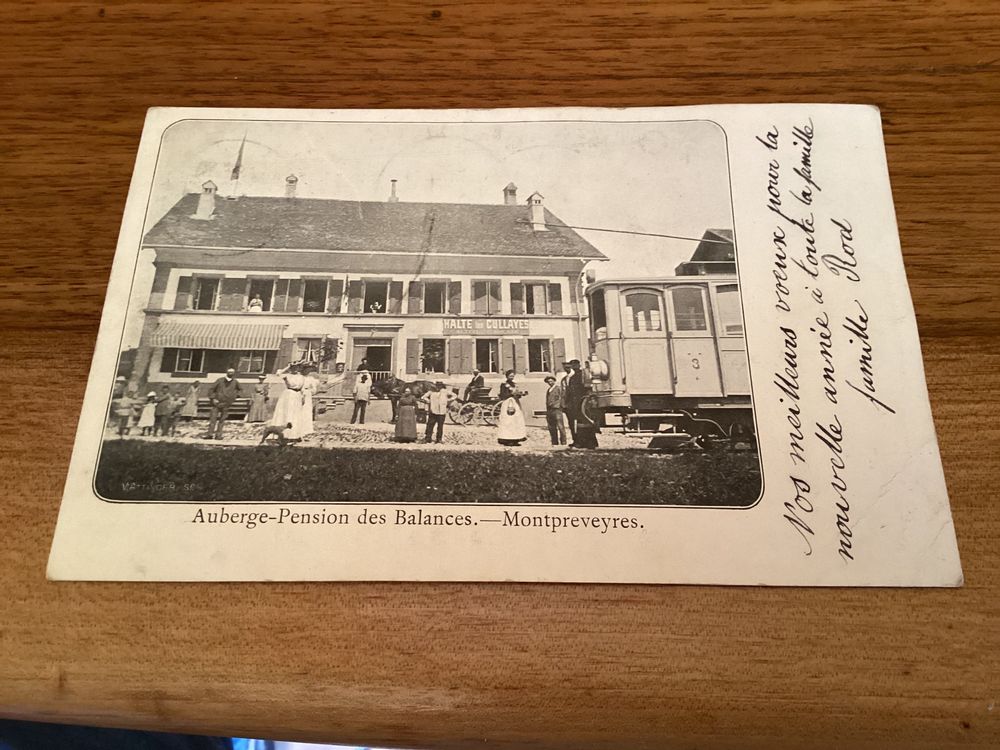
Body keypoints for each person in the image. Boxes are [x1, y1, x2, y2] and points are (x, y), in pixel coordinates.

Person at [202, 368, 243, 440]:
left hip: (226, 404)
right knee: (213, 419)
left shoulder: (235, 382)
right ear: (226, 373)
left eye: (232, 372)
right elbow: (211, 389)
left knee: (222, 420)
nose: (231, 374)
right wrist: (213, 398)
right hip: (217, 403)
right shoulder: (220, 380)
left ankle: (219, 435)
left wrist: (234, 396)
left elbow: (241, 390)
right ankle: (210, 434)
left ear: (234, 374)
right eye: (229, 372)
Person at [269, 363, 306, 442]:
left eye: (297, 367)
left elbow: (302, 387)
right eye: (293, 368)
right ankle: (283, 435)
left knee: (296, 415)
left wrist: (303, 397)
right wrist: (288, 366)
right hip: (288, 395)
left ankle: (295, 435)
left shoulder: (301, 377)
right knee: (287, 414)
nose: (295, 369)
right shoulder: (287, 376)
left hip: (297, 396)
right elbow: (278, 374)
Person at [497, 370, 528, 446]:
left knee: (516, 420)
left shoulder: (515, 384)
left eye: (513, 376)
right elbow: (502, 395)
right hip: (508, 402)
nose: (512, 377)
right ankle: (507, 438)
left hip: (515, 402)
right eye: (510, 375)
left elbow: (517, 393)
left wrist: (520, 394)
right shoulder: (504, 384)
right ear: (507, 376)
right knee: (508, 420)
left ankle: (516, 438)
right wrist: (511, 394)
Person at [562, 359, 586, 446]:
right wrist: (565, 403)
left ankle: (584, 442)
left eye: (576, 365)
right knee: (572, 423)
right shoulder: (571, 377)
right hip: (572, 404)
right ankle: (576, 440)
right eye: (573, 365)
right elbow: (568, 391)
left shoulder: (583, 375)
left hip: (581, 402)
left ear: (579, 365)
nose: (574, 367)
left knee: (583, 423)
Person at [544, 374, 567, 446]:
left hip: (557, 409)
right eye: (548, 382)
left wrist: (560, 406)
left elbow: (562, 397)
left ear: (554, 381)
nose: (550, 383)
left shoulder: (558, 388)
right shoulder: (549, 390)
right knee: (551, 426)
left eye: (551, 381)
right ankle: (554, 442)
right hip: (550, 410)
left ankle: (563, 441)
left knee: (560, 426)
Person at [301, 366, 318, 437]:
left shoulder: (311, 379)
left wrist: (308, 392)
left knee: (306, 410)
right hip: (298, 394)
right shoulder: (300, 377)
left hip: (307, 395)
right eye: (305, 370)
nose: (306, 371)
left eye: (308, 370)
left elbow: (314, 390)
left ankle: (306, 428)